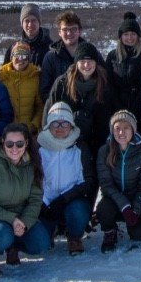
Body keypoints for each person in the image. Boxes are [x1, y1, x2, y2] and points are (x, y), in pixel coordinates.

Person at [0, 124, 50, 277]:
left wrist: (24, 222)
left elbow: (35, 200)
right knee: (2, 235)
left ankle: (13, 247)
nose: (15, 148)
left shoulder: (31, 165)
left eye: (19, 144)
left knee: (41, 242)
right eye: (9, 144)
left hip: (19, 217)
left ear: (26, 143)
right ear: (2, 143)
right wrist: (12, 219)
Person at [37, 103, 96, 255]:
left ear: (71, 125)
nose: (60, 127)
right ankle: (48, 232)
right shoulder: (39, 148)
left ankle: (74, 237)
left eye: (65, 123)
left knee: (78, 211)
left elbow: (87, 181)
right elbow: (33, 179)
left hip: (71, 200)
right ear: (48, 125)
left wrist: (64, 199)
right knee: (39, 241)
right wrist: (43, 202)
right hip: (45, 202)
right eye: (55, 123)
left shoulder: (79, 147)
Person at [45, 42, 119, 158]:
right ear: (76, 63)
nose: (86, 65)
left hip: (97, 146)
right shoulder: (62, 84)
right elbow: (48, 114)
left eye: (90, 61)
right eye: (82, 61)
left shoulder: (105, 85)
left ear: (96, 62)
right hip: (65, 145)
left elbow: (113, 114)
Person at [96, 110, 141, 252]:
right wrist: (124, 206)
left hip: (136, 198)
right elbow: (106, 185)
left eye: (126, 128)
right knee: (103, 209)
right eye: (117, 128)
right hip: (115, 200)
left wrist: (135, 209)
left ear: (133, 130)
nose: (121, 132)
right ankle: (110, 231)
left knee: (139, 235)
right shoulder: (104, 151)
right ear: (112, 130)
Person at [105, 12, 141, 123]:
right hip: (117, 108)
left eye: (133, 34)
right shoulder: (112, 56)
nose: (130, 38)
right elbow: (109, 84)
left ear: (138, 36)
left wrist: (137, 104)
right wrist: (118, 106)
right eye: (126, 34)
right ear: (120, 37)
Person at [0, 41, 44, 134]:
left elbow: (40, 106)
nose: (20, 60)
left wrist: (33, 125)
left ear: (29, 58)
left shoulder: (35, 77)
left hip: (28, 131)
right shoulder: (1, 76)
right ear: (11, 57)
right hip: (6, 131)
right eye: (17, 56)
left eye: (24, 56)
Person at [40, 11, 86, 100]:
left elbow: (102, 83)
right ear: (59, 32)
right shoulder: (51, 58)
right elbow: (45, 91)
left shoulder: (91, 54)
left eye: (73, 29)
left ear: (79, 31)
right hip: (60, 110)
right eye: (65, 30)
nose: (69, 33)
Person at [5, 3, 53, 68]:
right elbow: (5, 73)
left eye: (33, 20)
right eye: (27, 21)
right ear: (22, 24)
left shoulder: (50, 48)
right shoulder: (14, 48)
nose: (30, 24)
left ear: (39, 22)